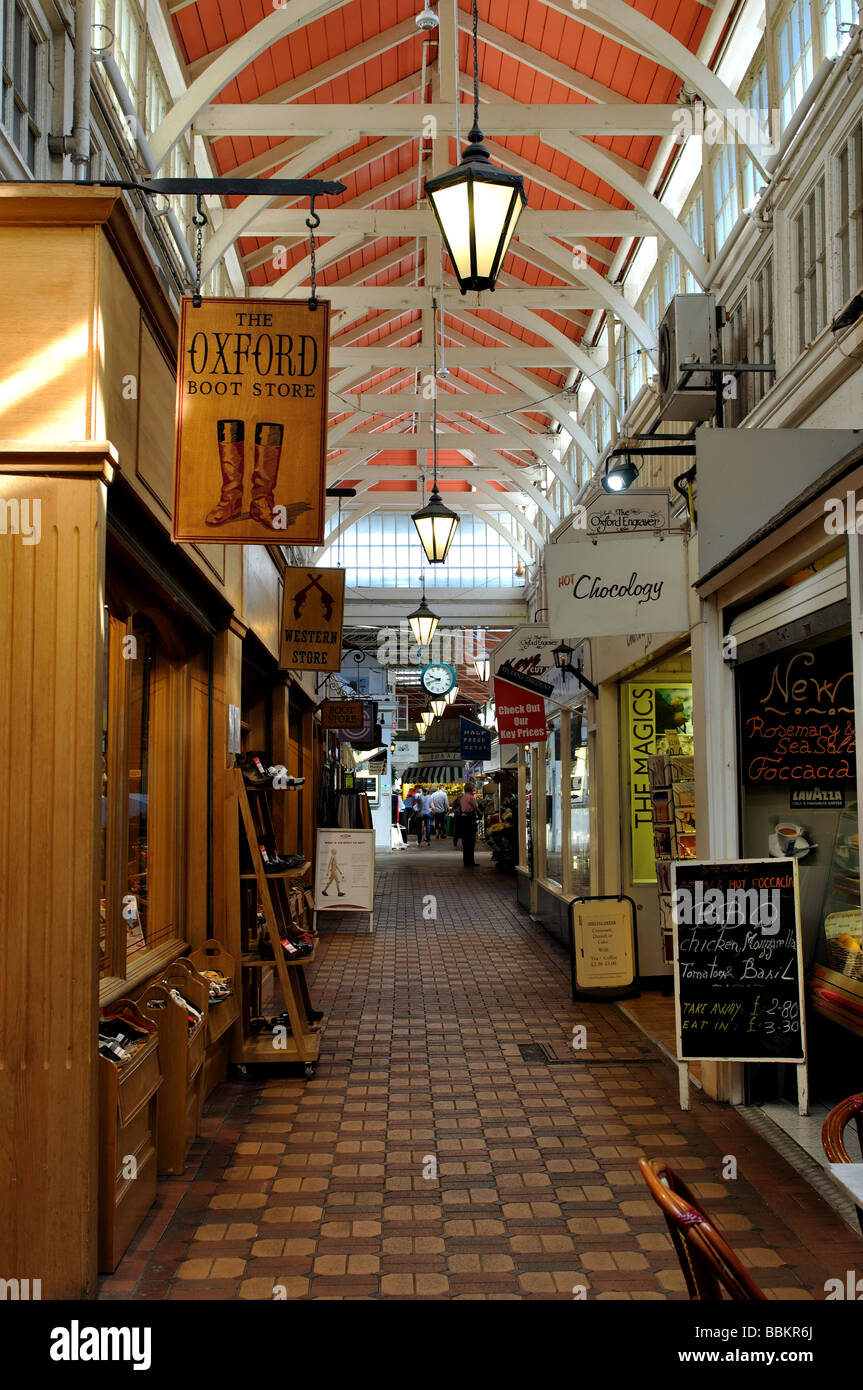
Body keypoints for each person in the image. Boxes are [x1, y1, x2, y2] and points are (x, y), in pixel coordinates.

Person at [459, 780, 480, 867]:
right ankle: (470, 861)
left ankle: (466, 861)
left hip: (464, 819)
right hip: (470, 818)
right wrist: (480, 813)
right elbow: (476, 807)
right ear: (470, 788)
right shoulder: (471, 797)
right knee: (471, 841)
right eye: (473, 787)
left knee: (465, 841)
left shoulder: (463, 797)